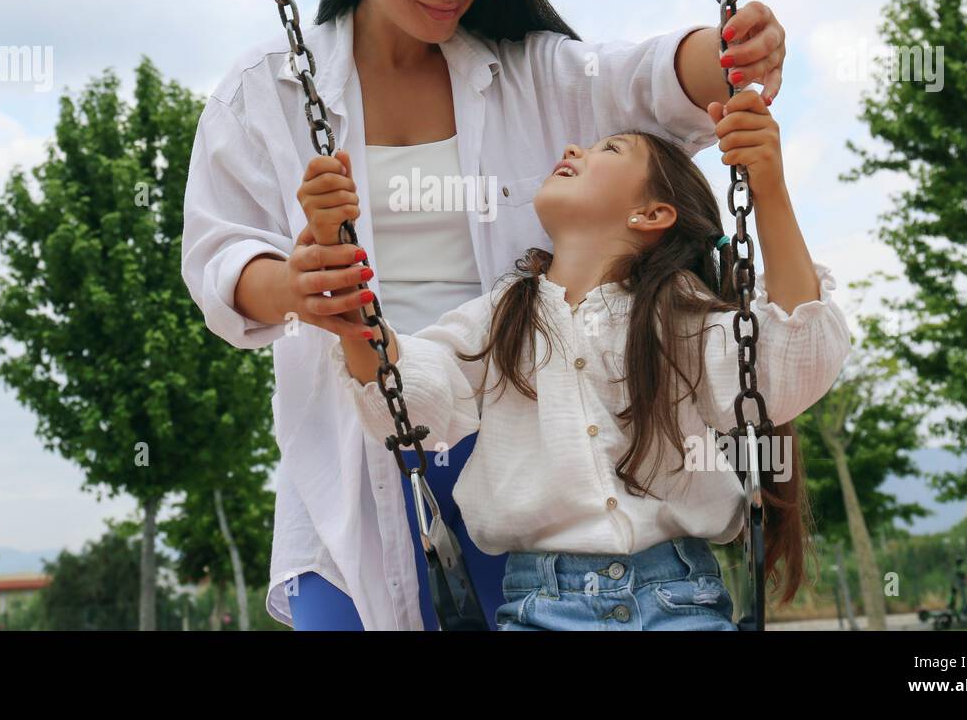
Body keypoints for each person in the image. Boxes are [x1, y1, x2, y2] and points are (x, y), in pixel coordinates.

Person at [181, 0, 790, 630]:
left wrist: (731, 53)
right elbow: (221, 251)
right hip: (357, 427)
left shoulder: (528, 71)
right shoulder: (269, 89)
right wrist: (296, 286)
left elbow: (642, 82)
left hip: (526, 437)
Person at [309, 89, 850, 630]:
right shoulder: (503, 317)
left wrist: (769, 189)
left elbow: (787, 367)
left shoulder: (682, 317)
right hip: (538, 608)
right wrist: (345, 282)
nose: (573, 149)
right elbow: (410, 401)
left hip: (678, 602)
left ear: (652, 213)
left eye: (609, 149)